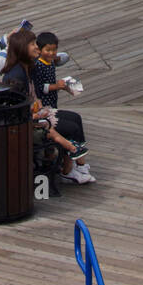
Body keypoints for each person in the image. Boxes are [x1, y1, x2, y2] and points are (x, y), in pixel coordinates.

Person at [3, 29, 88, 166]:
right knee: (71, 128)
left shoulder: (27, 67)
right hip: (28, 124)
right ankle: (72, 165)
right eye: (32, 44)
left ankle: (75, 163)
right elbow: (16, 109)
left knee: (75, 117)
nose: (36, 46)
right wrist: (37, 112)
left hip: (39, 113)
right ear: (22, 48)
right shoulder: (16, 76)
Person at [32, 31, 93, 183]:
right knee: (69, 127)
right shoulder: (39, 65)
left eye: (54, 50)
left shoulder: (51, 61)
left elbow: (64, 57)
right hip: (44, 106)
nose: (52, 53)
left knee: (75, 119)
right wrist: (56, 86)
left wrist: (64, 86)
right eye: (48, 50)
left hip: (51, 104)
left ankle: (78, 162)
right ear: (40, 50)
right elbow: (41, 88)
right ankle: (66, 165)